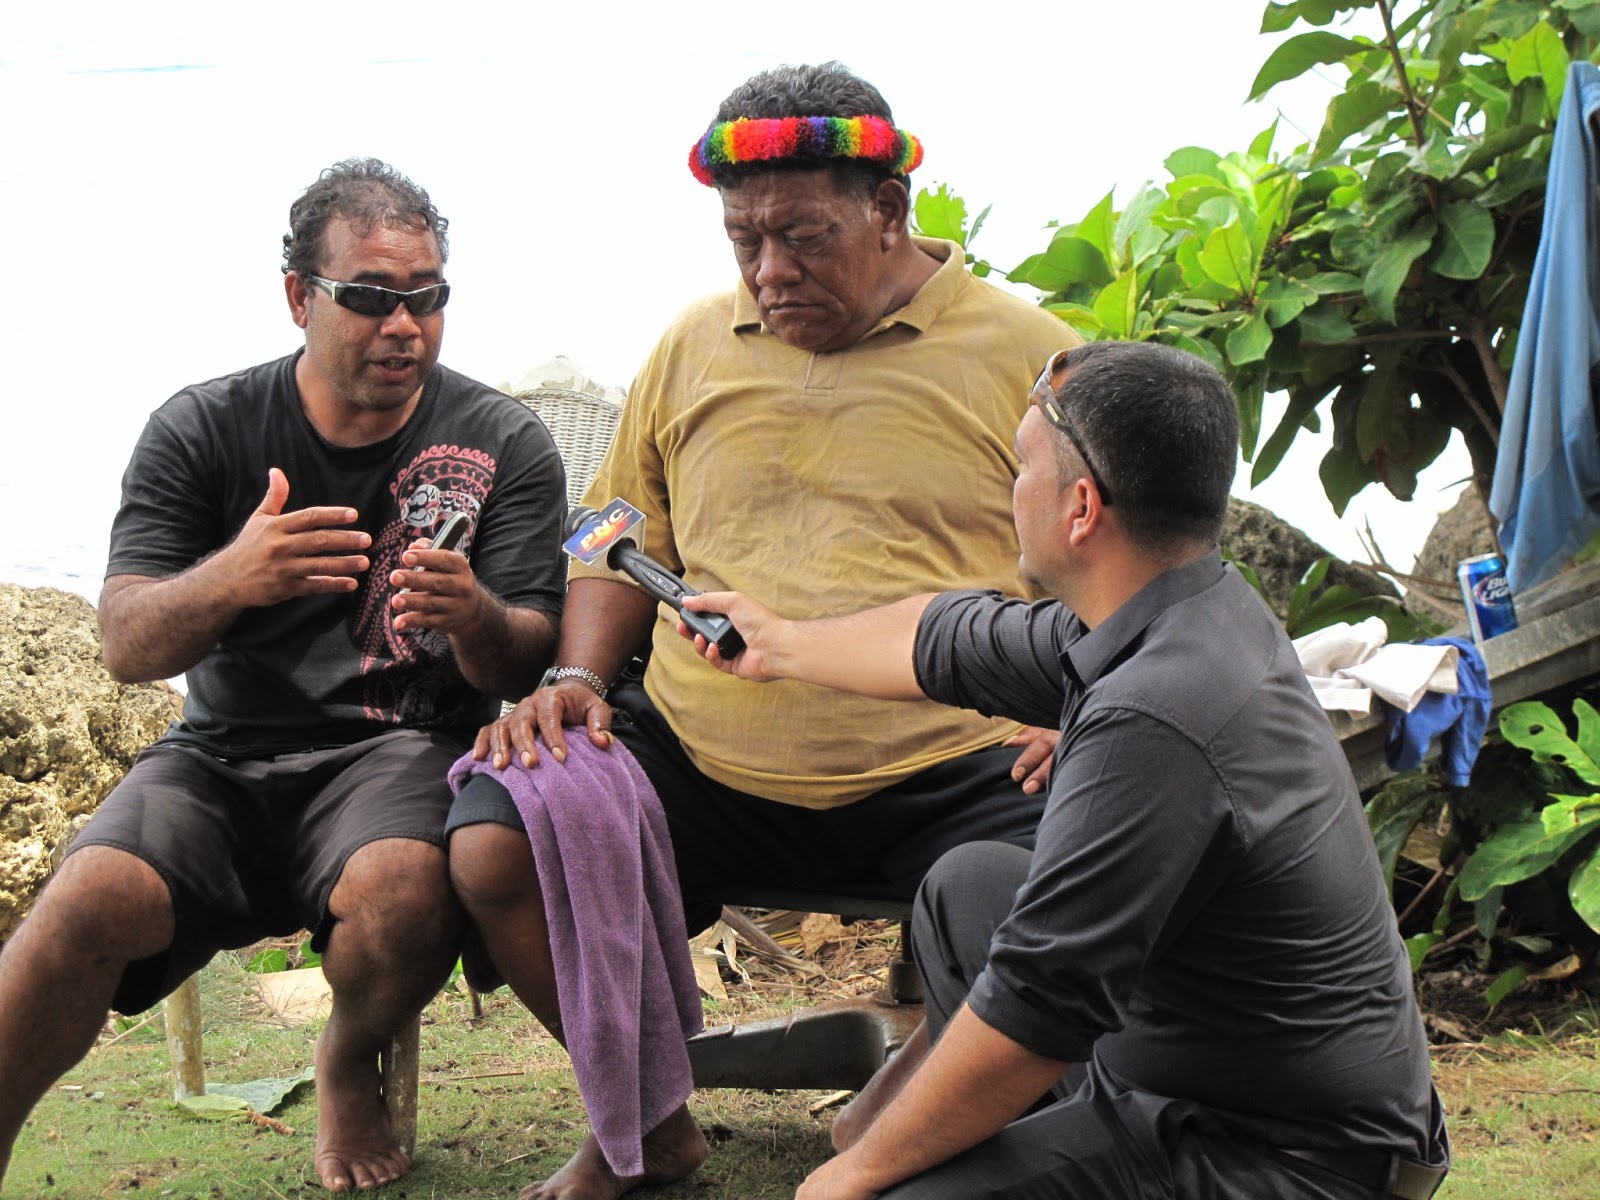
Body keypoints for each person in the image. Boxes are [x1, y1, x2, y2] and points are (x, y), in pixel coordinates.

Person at [446, 62, 1074, 1200]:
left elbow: (1114, 560)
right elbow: (616, 532)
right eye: (744, 240)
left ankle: (929, 1129)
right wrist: (581, 675)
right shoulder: (692, 344)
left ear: (888, 212)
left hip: (957, 762)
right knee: (496, 843)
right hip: (704, 762)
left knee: (1070, 896)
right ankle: (646, 1118)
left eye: (804, 237)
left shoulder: (1027, 355)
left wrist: (1085, 712)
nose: (770, 271)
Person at [679, 340, 1450, 1200]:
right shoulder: (1181, 608)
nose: (1013, 493)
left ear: (1080, 507)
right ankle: (1002, 1130)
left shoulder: (1157, 711)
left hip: (1281, 1157)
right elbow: (947, 636)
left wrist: (851, 1174)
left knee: (887, 1195)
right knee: (970, 886)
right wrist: (778, 643)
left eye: (1020, 468)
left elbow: (1039, 1006)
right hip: (1193, 1055)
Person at [0, 158, 567, 1196]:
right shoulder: (204, 426)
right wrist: (233, 577)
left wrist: (470, 613)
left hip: (398, 751)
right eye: (372, 297)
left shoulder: (503, 440)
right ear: (301, 296)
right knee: (85, 899)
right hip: (219, 756)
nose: (406, 324)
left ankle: (347, 1055)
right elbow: (126, 645)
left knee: (401, 891)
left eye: (428, 296)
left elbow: (529, 656)